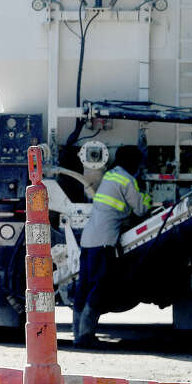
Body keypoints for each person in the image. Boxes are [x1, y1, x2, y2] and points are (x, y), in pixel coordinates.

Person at [73, 144, 150, 348]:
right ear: (133, 163)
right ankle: (86, 335)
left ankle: (78, 335)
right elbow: (141, 209)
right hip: (104, 241)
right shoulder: (127, 180)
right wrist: (149, 198)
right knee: (100, 287)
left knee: (84, 286)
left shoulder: (110, 176)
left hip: (88, 239)